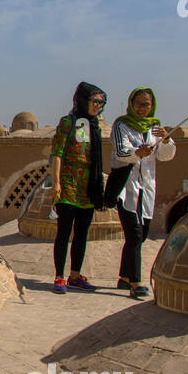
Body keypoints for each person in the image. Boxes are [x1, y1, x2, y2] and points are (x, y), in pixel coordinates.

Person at [110, 86, 176, 298]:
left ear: (152, 106)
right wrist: (137, 152)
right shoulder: (122, 125)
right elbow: (121, 152)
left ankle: (125, 277)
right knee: (134, 234)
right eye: (138, 104)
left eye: (146, 104)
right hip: (126, 187)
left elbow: (165, 156)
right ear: (131, 104)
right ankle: (137, 282)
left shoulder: (154, 128)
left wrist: (166, 140)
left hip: (146, 187)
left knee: (142, 233)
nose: (142, 108)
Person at [49, 81, 106, 293]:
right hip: (68, 185)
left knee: (82, 233)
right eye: (95, 101)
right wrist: (56, 183)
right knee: (64, 233)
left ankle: (75, 275)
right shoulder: (68, 122)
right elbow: (58, 153)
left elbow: (82, 151)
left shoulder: (86, 125)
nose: (98, 106)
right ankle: (59, 277)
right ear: (83, 100)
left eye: (101, 103)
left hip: (87, 186)